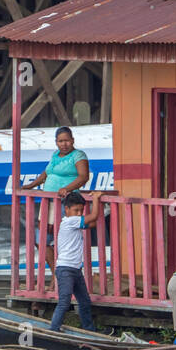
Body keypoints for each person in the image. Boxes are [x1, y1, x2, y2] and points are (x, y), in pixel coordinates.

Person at [21, 127, 90, 311]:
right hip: (49, 202)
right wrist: (32, 185)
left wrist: (67, 188)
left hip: (65, 203)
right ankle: (56, 274)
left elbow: (84, 177)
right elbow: (47, 174)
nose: (64, 144)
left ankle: (61, 278)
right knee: (41, 241)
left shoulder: (78, 155)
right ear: (56, 142)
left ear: (73, 140)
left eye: (66, 140)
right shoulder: (55, 155)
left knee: (60, 241)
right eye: (60, 141)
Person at [49, 190, 102, 333]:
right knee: (64, 302)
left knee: (84, 301)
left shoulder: (74, 222)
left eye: (81, 210)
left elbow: (91, 224)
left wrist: (92, 217)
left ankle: (89, 329)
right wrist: (96, 199)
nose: (79, 213)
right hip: (65, 269)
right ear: (66, 209)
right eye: (76, 210)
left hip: (76, 269)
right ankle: (53, 330)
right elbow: (94, 216)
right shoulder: (69, 221)